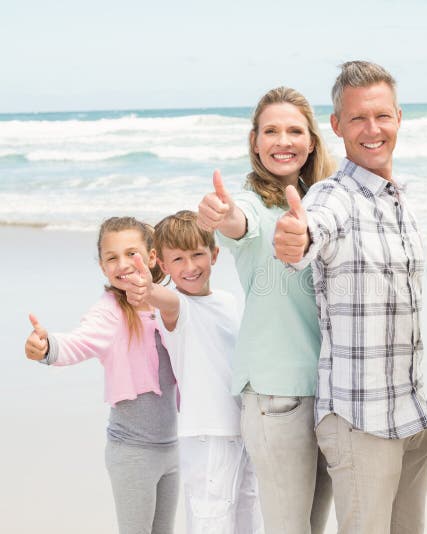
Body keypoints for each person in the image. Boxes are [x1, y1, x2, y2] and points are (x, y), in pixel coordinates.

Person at [273, 60, 427, 534]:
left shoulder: (398, 197)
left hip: (413, 414)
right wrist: (296, 238)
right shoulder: (333, 195)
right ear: (337, 126)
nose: (372, 129)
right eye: (358, 118)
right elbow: (311, 230)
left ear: (399, 118)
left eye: (382, 116)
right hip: (361, 421)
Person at [196, 86, 334, 534]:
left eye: (294, 130)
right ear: (254, 141)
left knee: (313, 524)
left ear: (312, 140)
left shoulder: (329, 202)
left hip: (333, 391)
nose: (283, 141)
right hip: (277, 394)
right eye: (271, 131)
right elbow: (239, 223)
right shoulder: (253, 204)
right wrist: (223, 214)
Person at [23, 216, 179, 534]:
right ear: (102, 266)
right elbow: (78, 342)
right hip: (133, 451)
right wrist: (47, 346)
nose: (122, 264)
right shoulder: (108, 313)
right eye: (112, 257)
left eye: (131, 253)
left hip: (172, 447)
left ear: (151, 257)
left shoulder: (166, 305)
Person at [122, 210, 263, 534]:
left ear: (214, 254)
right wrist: (144, 286)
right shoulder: (177, 307)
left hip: (242, 429)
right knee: (210, 519)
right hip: (206, 431)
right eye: (178, 259)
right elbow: (162, 298)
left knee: (248, 514)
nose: (190, 267)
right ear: (163, 264)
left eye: (197, 254)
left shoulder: (227, 300)